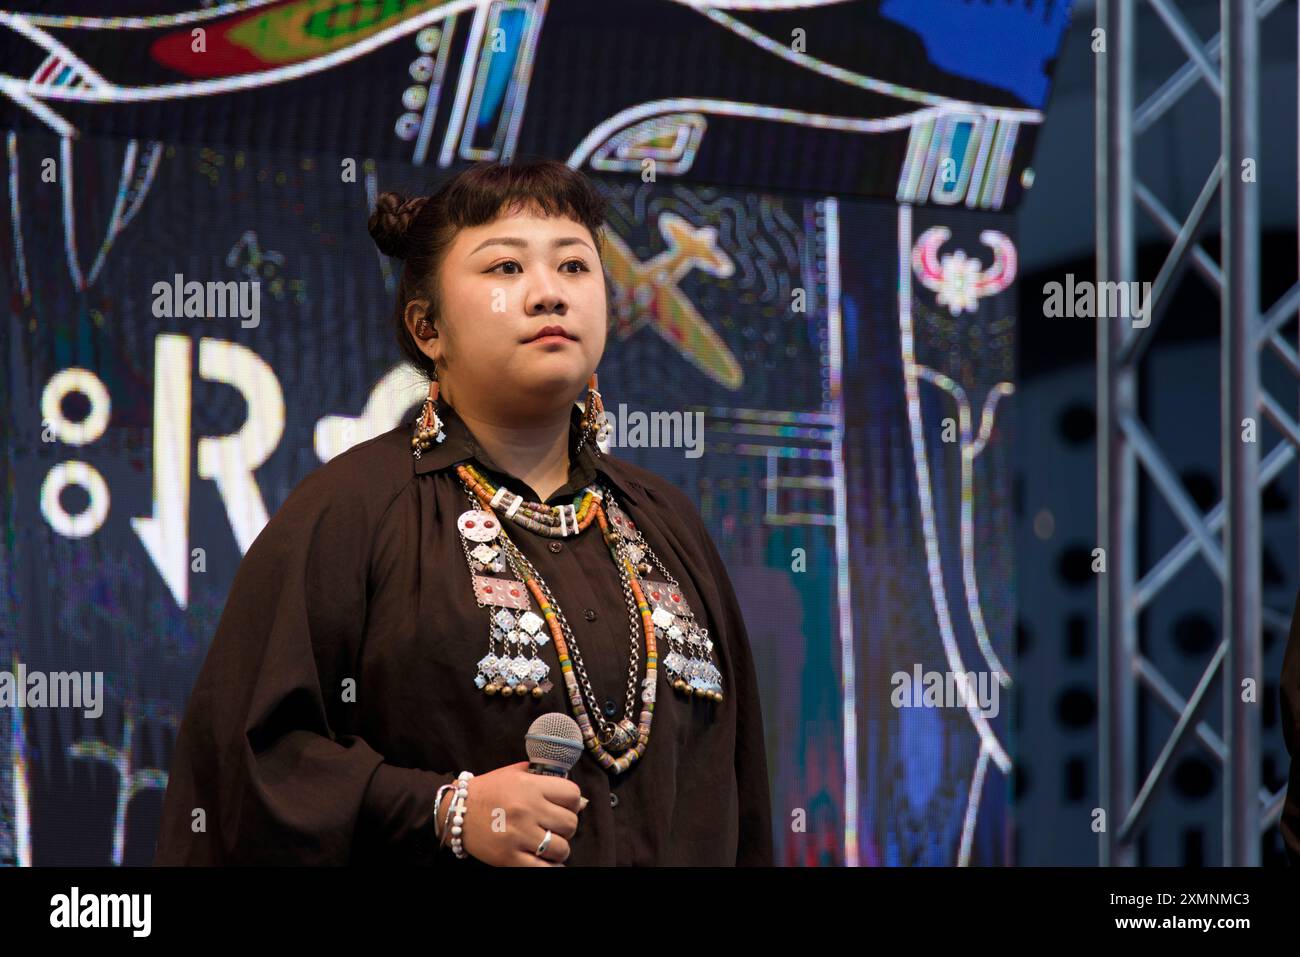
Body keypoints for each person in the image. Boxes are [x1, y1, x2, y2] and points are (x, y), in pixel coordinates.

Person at [153, 158, 774, 866]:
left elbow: (741, 798)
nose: (548, 293)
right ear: (428, 328)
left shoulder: (669, 525)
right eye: (506, 268)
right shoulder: (350, 512)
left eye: (574, 266)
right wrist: (441, 808)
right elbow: (248, 767)